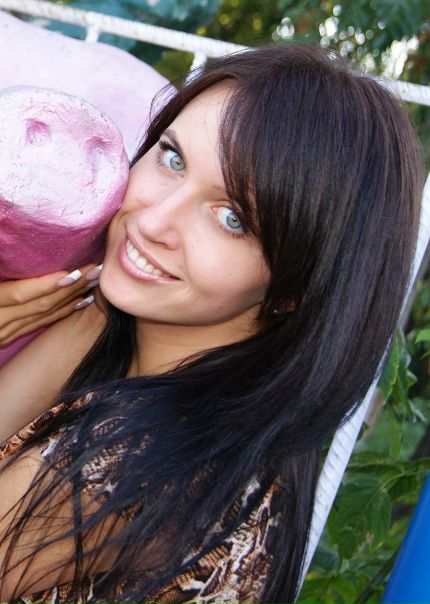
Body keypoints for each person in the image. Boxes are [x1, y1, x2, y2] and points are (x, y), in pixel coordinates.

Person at [0, 45, 423, 604]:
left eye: (232, 218)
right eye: (173, 159)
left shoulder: (138, 459)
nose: (153, 221)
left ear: (296, 288)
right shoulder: (195, 402)